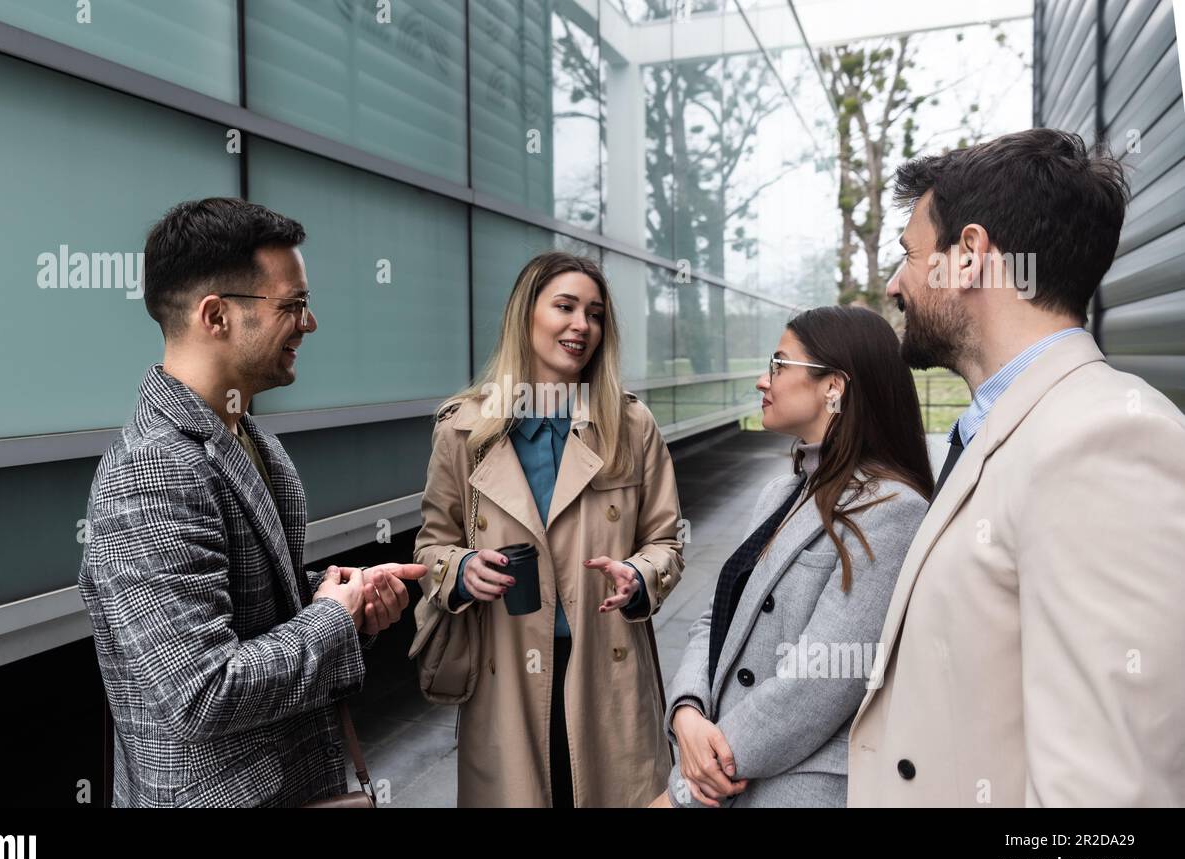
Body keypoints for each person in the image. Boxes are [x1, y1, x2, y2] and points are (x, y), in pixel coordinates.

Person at [851, 128, 1185, 806]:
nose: (894, 284)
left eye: (910, 256)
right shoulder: (1010, 425)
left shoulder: (1104, 440)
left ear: (969, 255)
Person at [78, 197, 423, 807]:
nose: (309, 323)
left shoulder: (241, 435)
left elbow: (243, 609)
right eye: (292, 305)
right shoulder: (154, 468)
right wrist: (334, 618)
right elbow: (203, 691)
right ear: (216, 316)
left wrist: (337, 595)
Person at [414, 251, 683, 807]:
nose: (581, 325)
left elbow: (667, 541)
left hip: (607, 672)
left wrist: (638, 574)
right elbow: (431, 544)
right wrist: (462, 569)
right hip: (505, 676)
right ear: (526, 315)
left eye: (595, 313)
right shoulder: (464, 429)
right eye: (565, 306)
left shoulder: (631, 425)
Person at [654, 305, 931, 808]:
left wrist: (685, 792)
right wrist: (686, 712)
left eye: (779, 365)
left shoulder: (891, 511)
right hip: (718, 773)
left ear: (834, 387)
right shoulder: (781, 492)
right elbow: (714, 619)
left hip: (784, 790)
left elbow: (819, 683)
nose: (764, 380)